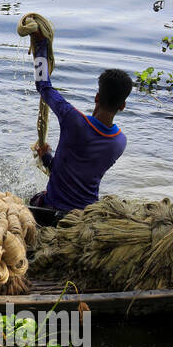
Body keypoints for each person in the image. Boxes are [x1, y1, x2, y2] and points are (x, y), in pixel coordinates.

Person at [29, 34, 132, 220]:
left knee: (30, 203)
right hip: (84, 217)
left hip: (51, 212)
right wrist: (46, 158)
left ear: (97, 98)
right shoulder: (119, 142)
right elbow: (75, 175)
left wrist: (41, 46)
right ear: (122, 106)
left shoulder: (73, 119)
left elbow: (42, 85)